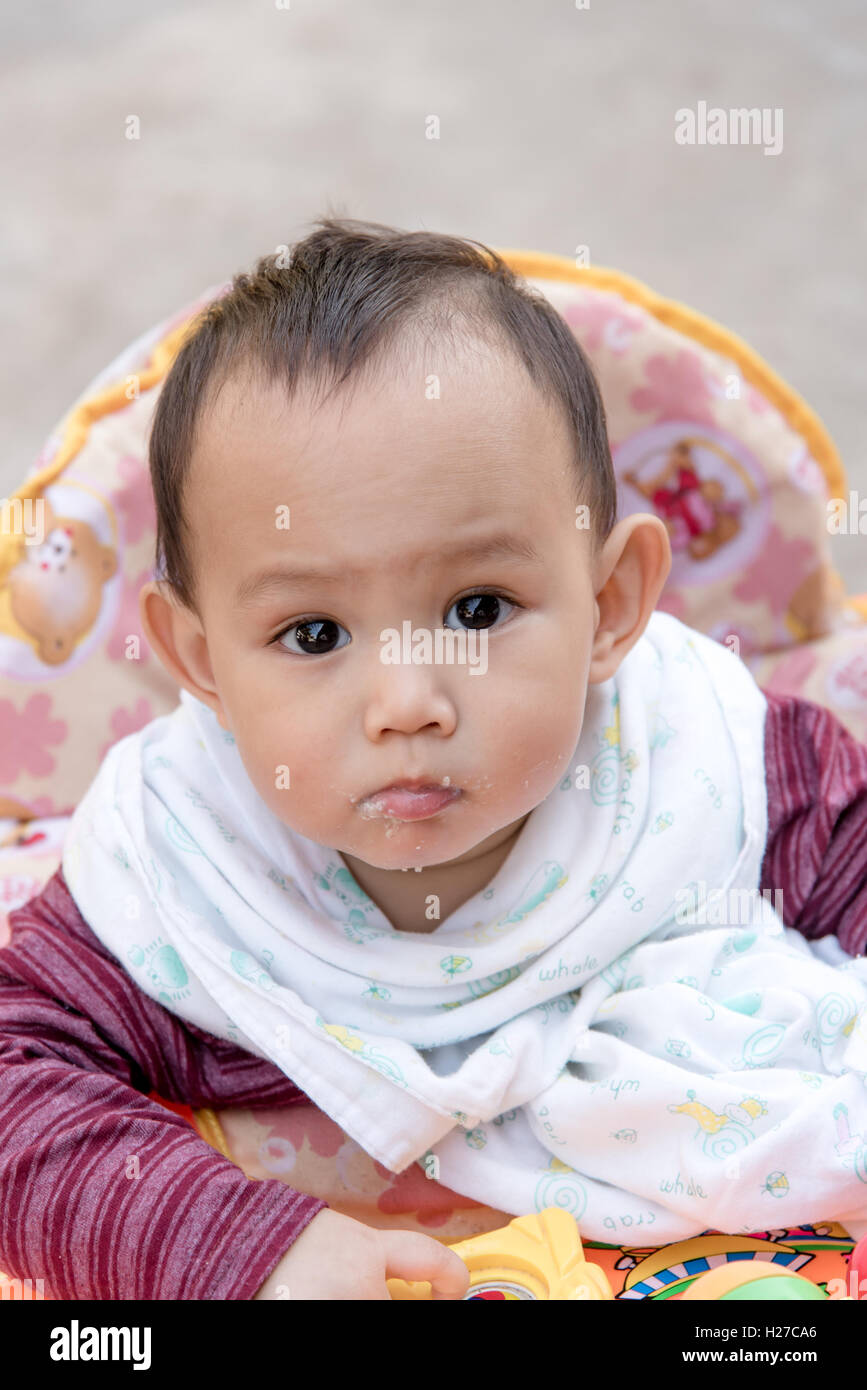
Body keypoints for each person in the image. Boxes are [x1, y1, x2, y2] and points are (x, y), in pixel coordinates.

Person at [2, 217, 867, 1301]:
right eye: (313, 633)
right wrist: (253, 1251)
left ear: (609, 606)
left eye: (477, 606)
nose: (406, 703)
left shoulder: (711, 760)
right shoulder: (189, 873)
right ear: (201, 660)